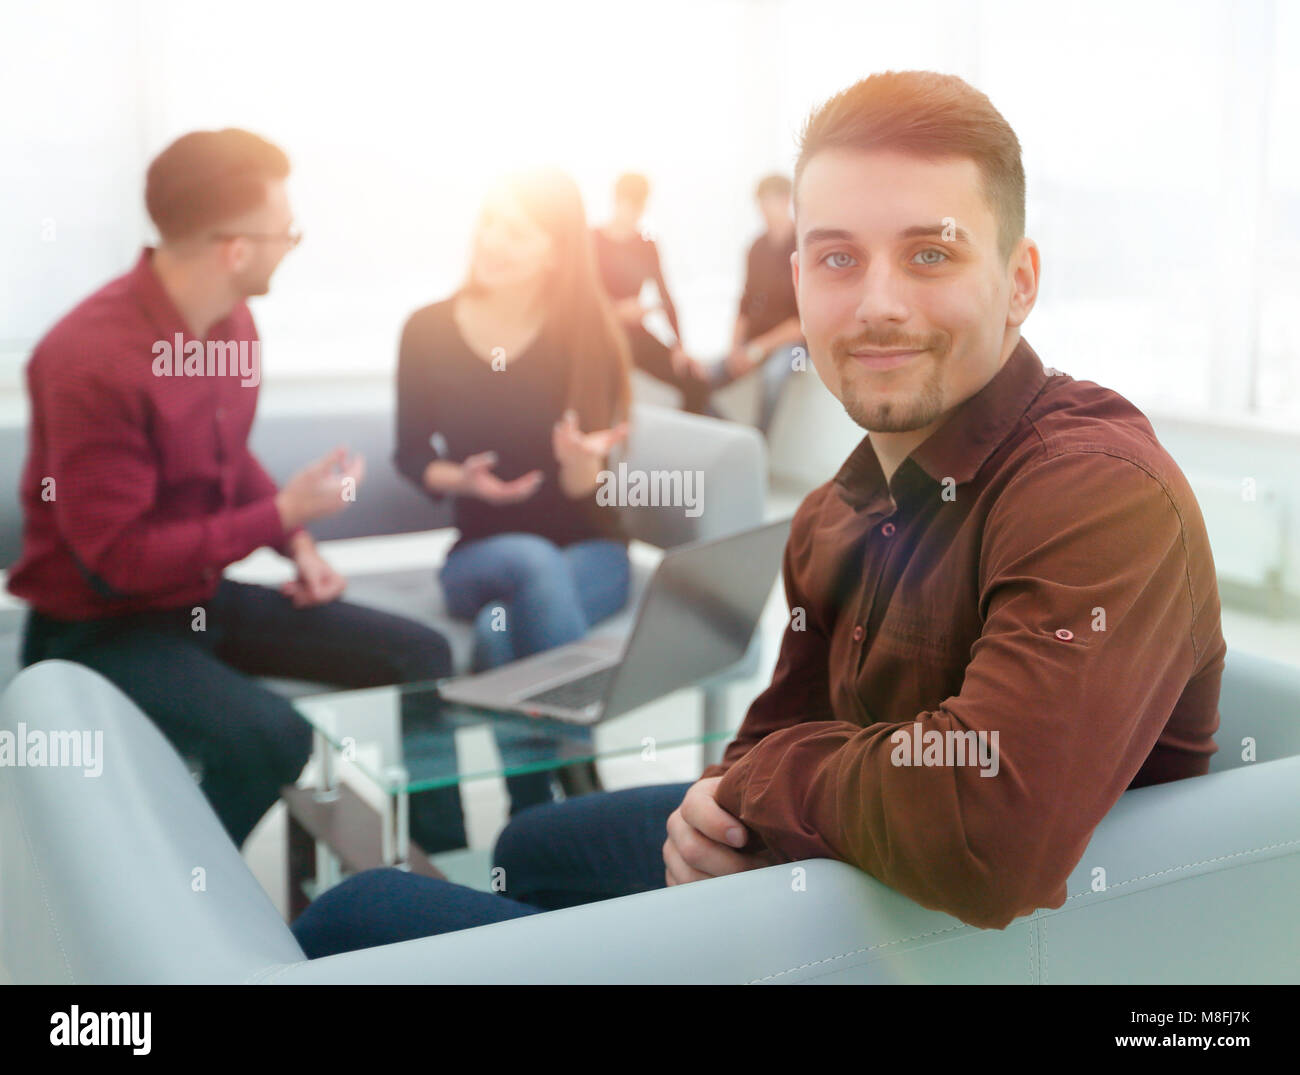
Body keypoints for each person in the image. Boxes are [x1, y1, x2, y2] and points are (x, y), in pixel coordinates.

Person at [290, 70, 1225, 957]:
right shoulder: (838, 504)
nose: (878, 305)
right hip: (830, 878)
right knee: (537, 844)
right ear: (801, 277)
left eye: (930, 254)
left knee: (356, 914)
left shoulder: (1097, 493)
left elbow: (987, 831)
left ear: (1020, 281)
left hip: (935, 943)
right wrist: (717, 804)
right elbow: (776, 724)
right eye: (837, 258)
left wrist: (759, 787)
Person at [8, 129, 455, 850]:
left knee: (423, 654)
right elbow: (116, 561)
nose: (291, 245)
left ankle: (447, 881)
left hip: (196, 599)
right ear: (236, 247)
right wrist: (278, 511)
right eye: (288, 232)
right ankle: (172, 901)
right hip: (97, 629)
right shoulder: (89, 361)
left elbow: (224, 456)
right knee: (272, 739)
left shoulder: (233, 322)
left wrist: (297, 539)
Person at [393, 167, 636, 852]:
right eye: (490, 221)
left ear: (555, 252)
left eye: (517, 232)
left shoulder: (590, 334)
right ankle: (587, 802)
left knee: (502, 642)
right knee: (528, 564)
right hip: (480, 556)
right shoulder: (427, 329)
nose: (492, 241)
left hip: (592, 553)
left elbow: (597, 490)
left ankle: (529, 824)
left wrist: (582, 469)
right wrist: (462, 480)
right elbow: (410, 456)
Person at [591, 173, 714, 415]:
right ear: (615, 201)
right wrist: (615, 311)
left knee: (695, 381)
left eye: (640, 206)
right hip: (598, 334)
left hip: (634, 337)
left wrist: (679, 346)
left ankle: (689, 446)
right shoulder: (590, 240)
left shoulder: (646, 245)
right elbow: (576, 297)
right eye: (629, 204)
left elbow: (665, 295)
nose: (635, 213)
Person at [711, 173, 808, 436]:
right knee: (704, 377)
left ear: (787, 200)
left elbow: (804, 323)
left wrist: (756, 350)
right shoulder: (756, 247)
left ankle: (758, 443)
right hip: (756, 339)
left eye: (769, 203)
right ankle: (732, 438)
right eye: (760, 204)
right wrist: (734, 350)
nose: (764, 211)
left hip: (796, 346)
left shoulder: (805, 246)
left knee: (774, 375)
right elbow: (745, 303)